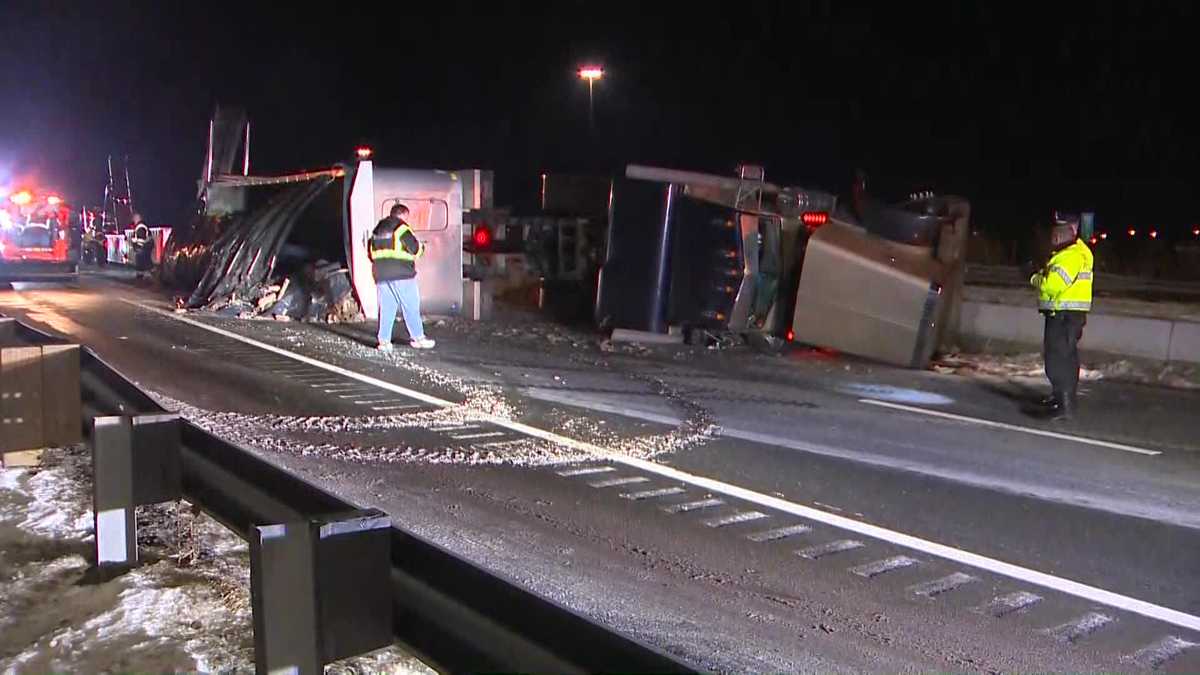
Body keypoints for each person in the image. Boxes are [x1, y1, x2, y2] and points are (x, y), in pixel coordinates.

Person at [1029, 214, 1093, 420]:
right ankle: (1059, 398)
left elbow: (1052, 285)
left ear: (1073, 232)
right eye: (1054, 232)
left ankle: (1063, 406)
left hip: (1065, 316)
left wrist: (1033, 277)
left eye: (1060, 232)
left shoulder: (1071, 255)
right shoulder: (1067, 253)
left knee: (1059, 360)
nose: (1055, 236)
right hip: (1064, 315)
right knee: (1063, 358)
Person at [368, 203, 435, 351]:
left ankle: (384, 341)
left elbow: (371, 253)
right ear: (403, 215)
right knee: (410, 305)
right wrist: (422, 248)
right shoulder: (401, 228)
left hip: (381, 274)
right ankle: (418, 338)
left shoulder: (378, 229)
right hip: (402, 274)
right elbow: (415, 249)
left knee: (387, 308)